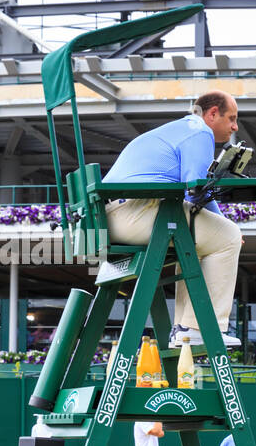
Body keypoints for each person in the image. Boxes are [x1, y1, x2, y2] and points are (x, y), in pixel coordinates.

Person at [103, 90, 244, 349]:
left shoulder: (180, 129)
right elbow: (196, 189)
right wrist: (225, 221)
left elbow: (193, 193)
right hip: (136, 213)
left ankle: (185, 328)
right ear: (213, 114)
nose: (235, 127)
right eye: (232, 118)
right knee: (229, 237)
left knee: (203, 242)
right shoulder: (200, 132)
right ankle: (200, 328)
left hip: (115, 217)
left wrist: (219, 219)